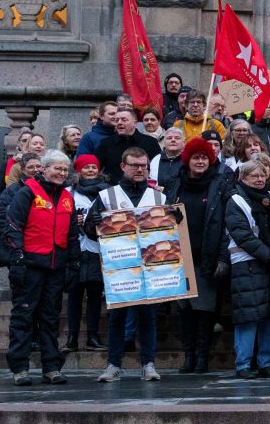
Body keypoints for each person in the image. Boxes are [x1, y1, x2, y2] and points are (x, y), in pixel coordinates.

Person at [85, 148, 166, 382]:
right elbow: (89, 232)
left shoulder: (159, 197)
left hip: (149, 266)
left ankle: (148, 364)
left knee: (148, 317)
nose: (139, 169)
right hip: (119, 266)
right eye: (134, 165)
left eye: (143, 165)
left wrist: (175, 220)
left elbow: (170, 231)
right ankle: (114, 365)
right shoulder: (106, 195)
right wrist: (93, 222)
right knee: (117, 317)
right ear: (123, 166)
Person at [3, 150, 78, 386]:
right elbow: (13, 226)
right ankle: (20, 368)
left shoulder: (67, 196)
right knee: (23, 317)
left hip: (56, 267)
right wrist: (17, 259)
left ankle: (51, 367)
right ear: (44, 169)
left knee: (50, 318)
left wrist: (74, 264)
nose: (62, 173)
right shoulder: (28, 192)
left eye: (65, 169)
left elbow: (73, 235)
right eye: (57, 168)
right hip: (29, 266)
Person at [163, 138, 232, 374]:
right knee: (185, 311)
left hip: (206, 258)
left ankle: (202, 358)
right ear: (187, 160)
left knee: (204, 311)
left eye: (204, 157)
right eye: (196, 157)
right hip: (180, 258)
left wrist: (222, 257)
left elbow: (226, 224)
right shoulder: (175, 185)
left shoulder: (220, 184)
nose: (200, 161)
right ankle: (189, 356)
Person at [225, 159, 270, 379]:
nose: (260, 179)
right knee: (248, 316)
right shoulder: (236, 200)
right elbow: (241, 233)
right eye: (255, 176)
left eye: (262, 175)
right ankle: (243, 364)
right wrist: (267, 255)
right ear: (243, 178)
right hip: (247, 263)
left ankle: (266, 362)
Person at [63, 154, 108, 353]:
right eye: (86, 167)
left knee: (95, 295)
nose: (90, 170)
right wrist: (73, 220)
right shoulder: (67, 192)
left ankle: (92, 336)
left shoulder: (108, 193)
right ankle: (72, 337)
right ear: (78, 170)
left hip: (98, 249)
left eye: (94, 167)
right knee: (74, 295)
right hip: (75, 249)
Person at [95, 108, 162, 182]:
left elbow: (159, 168)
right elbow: (95, 168)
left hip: (142, 187)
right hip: (113, 187)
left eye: (124, 120)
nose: (119, 123)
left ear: (134, 123)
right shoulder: (106, 144)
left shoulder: (150, 142)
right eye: (117, 120)